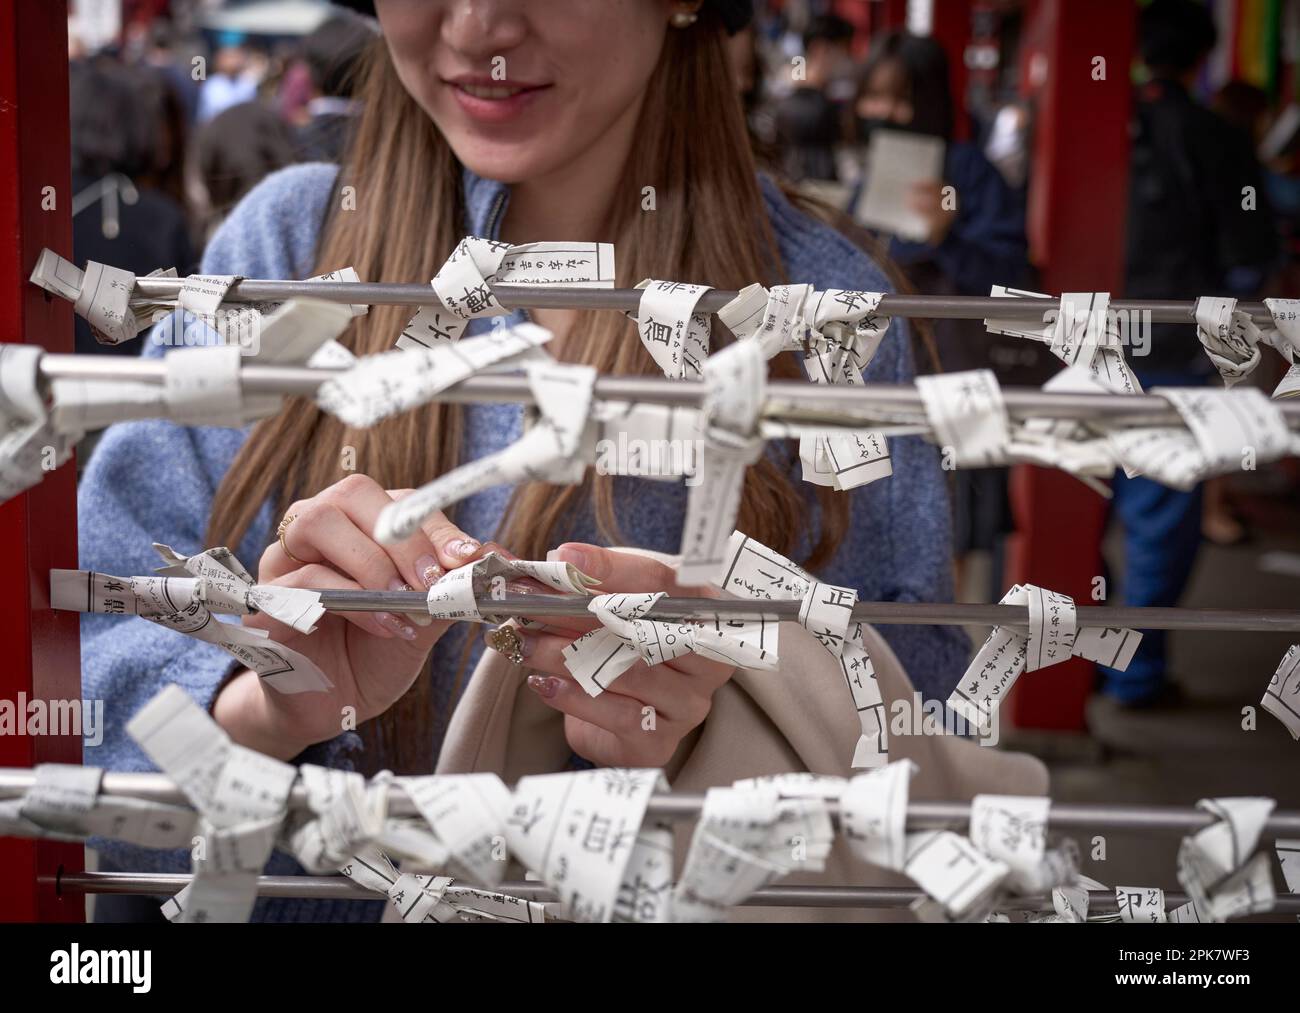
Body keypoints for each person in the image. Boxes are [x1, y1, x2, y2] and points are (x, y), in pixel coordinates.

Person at [81, 0, 967, 922]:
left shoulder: (822, 315)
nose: (477, 27)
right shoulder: (280, 250)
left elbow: (913, 736)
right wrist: (266, 706)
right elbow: (88, 696)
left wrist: (712, 726)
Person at [1105, 0, 1280, 707]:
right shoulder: (1219, 138)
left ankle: (1077, 664)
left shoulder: (1100, 126)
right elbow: (1250, 257)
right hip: (1180, 350)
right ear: (1204, 58)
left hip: (1082, 344)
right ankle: (1135, 675)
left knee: (1077, 506)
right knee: (1159, 520)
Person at [852, 31, 1032, 591]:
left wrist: (946, 238)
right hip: (881, 378)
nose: (885, 112)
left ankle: (940, 653)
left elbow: (1012, 279)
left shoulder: (969, 169)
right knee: (874, 525)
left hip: (956, 378)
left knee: (951, 530)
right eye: (874, 97)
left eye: (900, 98)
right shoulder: (873, 172)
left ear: (930, 98)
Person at [774, 14, 855, 182]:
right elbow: (794, 83)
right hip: (792, 175)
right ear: (820, 49)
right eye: (842, 49)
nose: (845, 58)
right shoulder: (796, 68)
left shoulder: (839, 85)